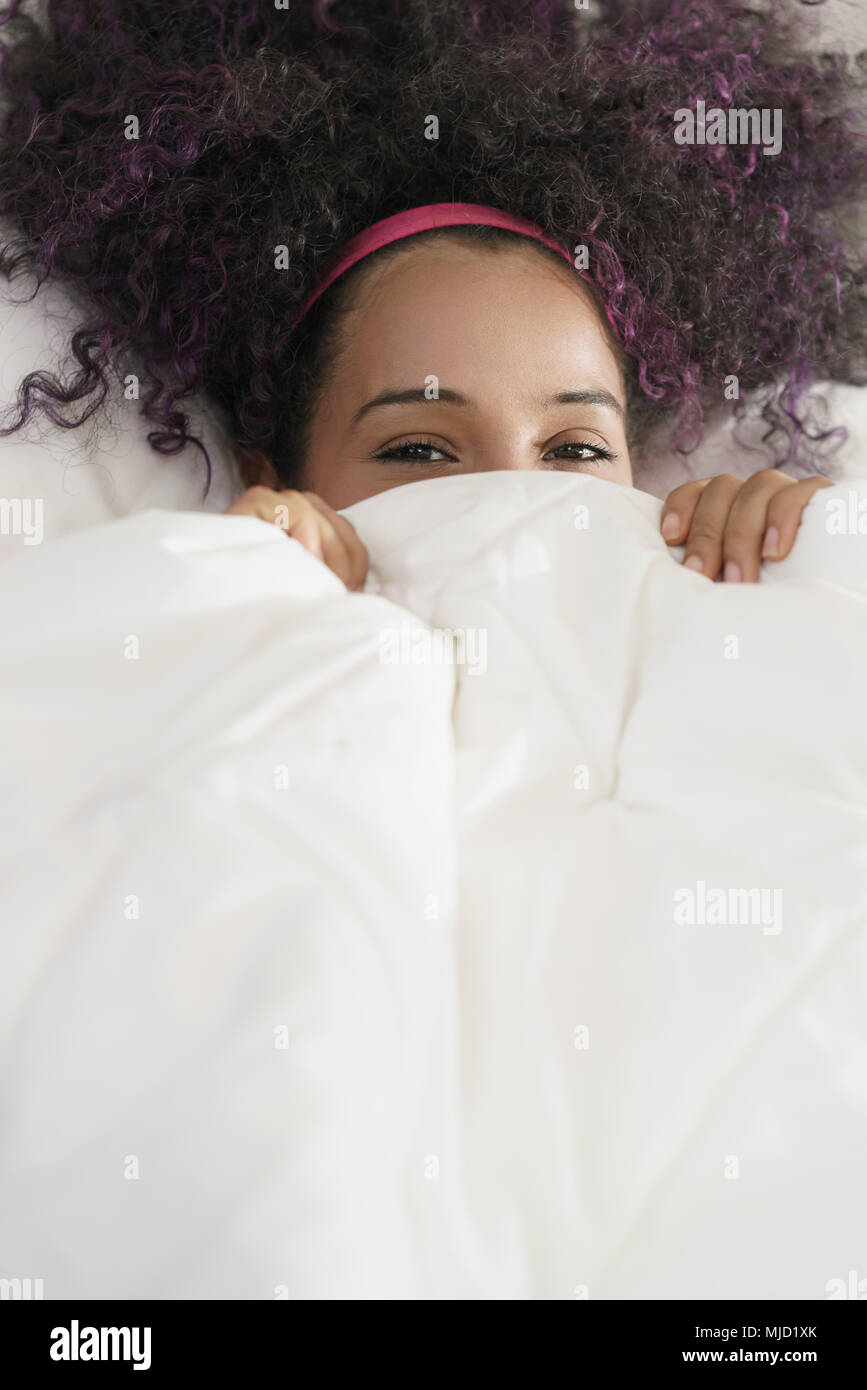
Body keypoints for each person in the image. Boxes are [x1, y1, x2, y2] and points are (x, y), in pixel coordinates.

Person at [0, 0, 862, 583]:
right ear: (274, 480)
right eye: (418, 450)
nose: (515, 499)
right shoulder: (224, 601)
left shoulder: (714, 583)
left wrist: (803, 558)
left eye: (575, 450)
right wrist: (234, 591)